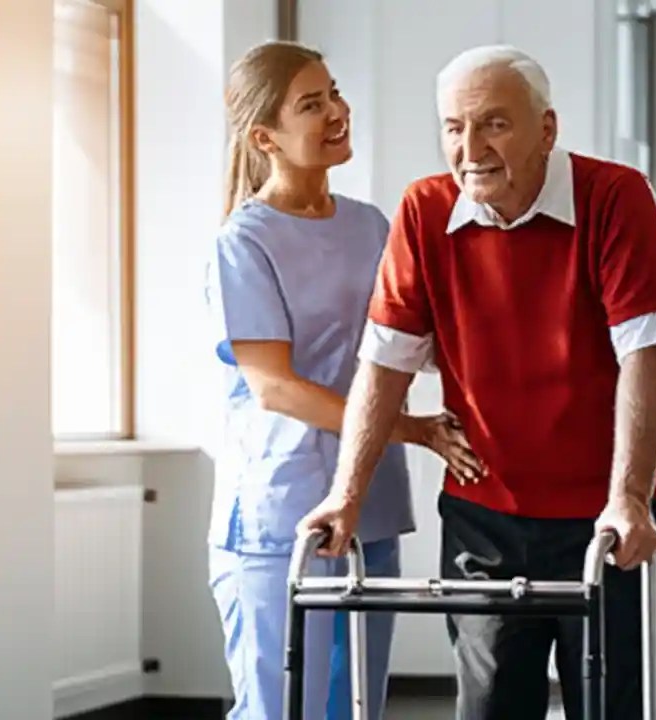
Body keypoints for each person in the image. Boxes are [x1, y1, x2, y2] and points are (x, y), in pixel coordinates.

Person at [299, 45, 656, 720]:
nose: (470, 147)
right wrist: (345, 495)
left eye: (494, 124)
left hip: (606, 522)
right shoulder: (426, 210)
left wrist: (628, 497)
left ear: (547, 129)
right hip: (486, 522)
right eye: (454, 127)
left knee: (616, 704)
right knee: (490, 707)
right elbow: (384, 363)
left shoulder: (614, 197)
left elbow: (644, 356)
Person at [204, 41, 482, 720]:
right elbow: (275, 387)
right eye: (311, 104)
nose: (336, 111)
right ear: (264, 136)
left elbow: (414, 344)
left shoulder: (371, 225)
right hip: (282, 509)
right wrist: (412, 430)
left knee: (353, 705)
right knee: (279, 709)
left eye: (333, 93)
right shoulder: (245, 241)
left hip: (367, 500)